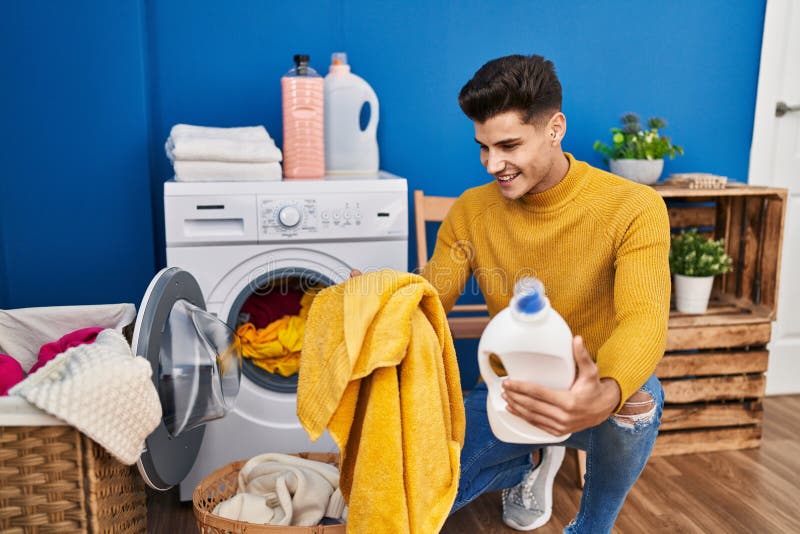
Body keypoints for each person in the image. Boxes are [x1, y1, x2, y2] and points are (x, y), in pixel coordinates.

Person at [418, 54, 672, 532]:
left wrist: (606, 392)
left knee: (641, 395)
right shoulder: (472, 211)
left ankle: (592, 524)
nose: (493, 164)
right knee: (421, 487)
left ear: (555, 128)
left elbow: (645, 317)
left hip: (594, 401)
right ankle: (530, 459)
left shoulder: (634, 208)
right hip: (514, 393)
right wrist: (381, 297)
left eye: (509, 144)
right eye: (483, 147)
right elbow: (433, 292)